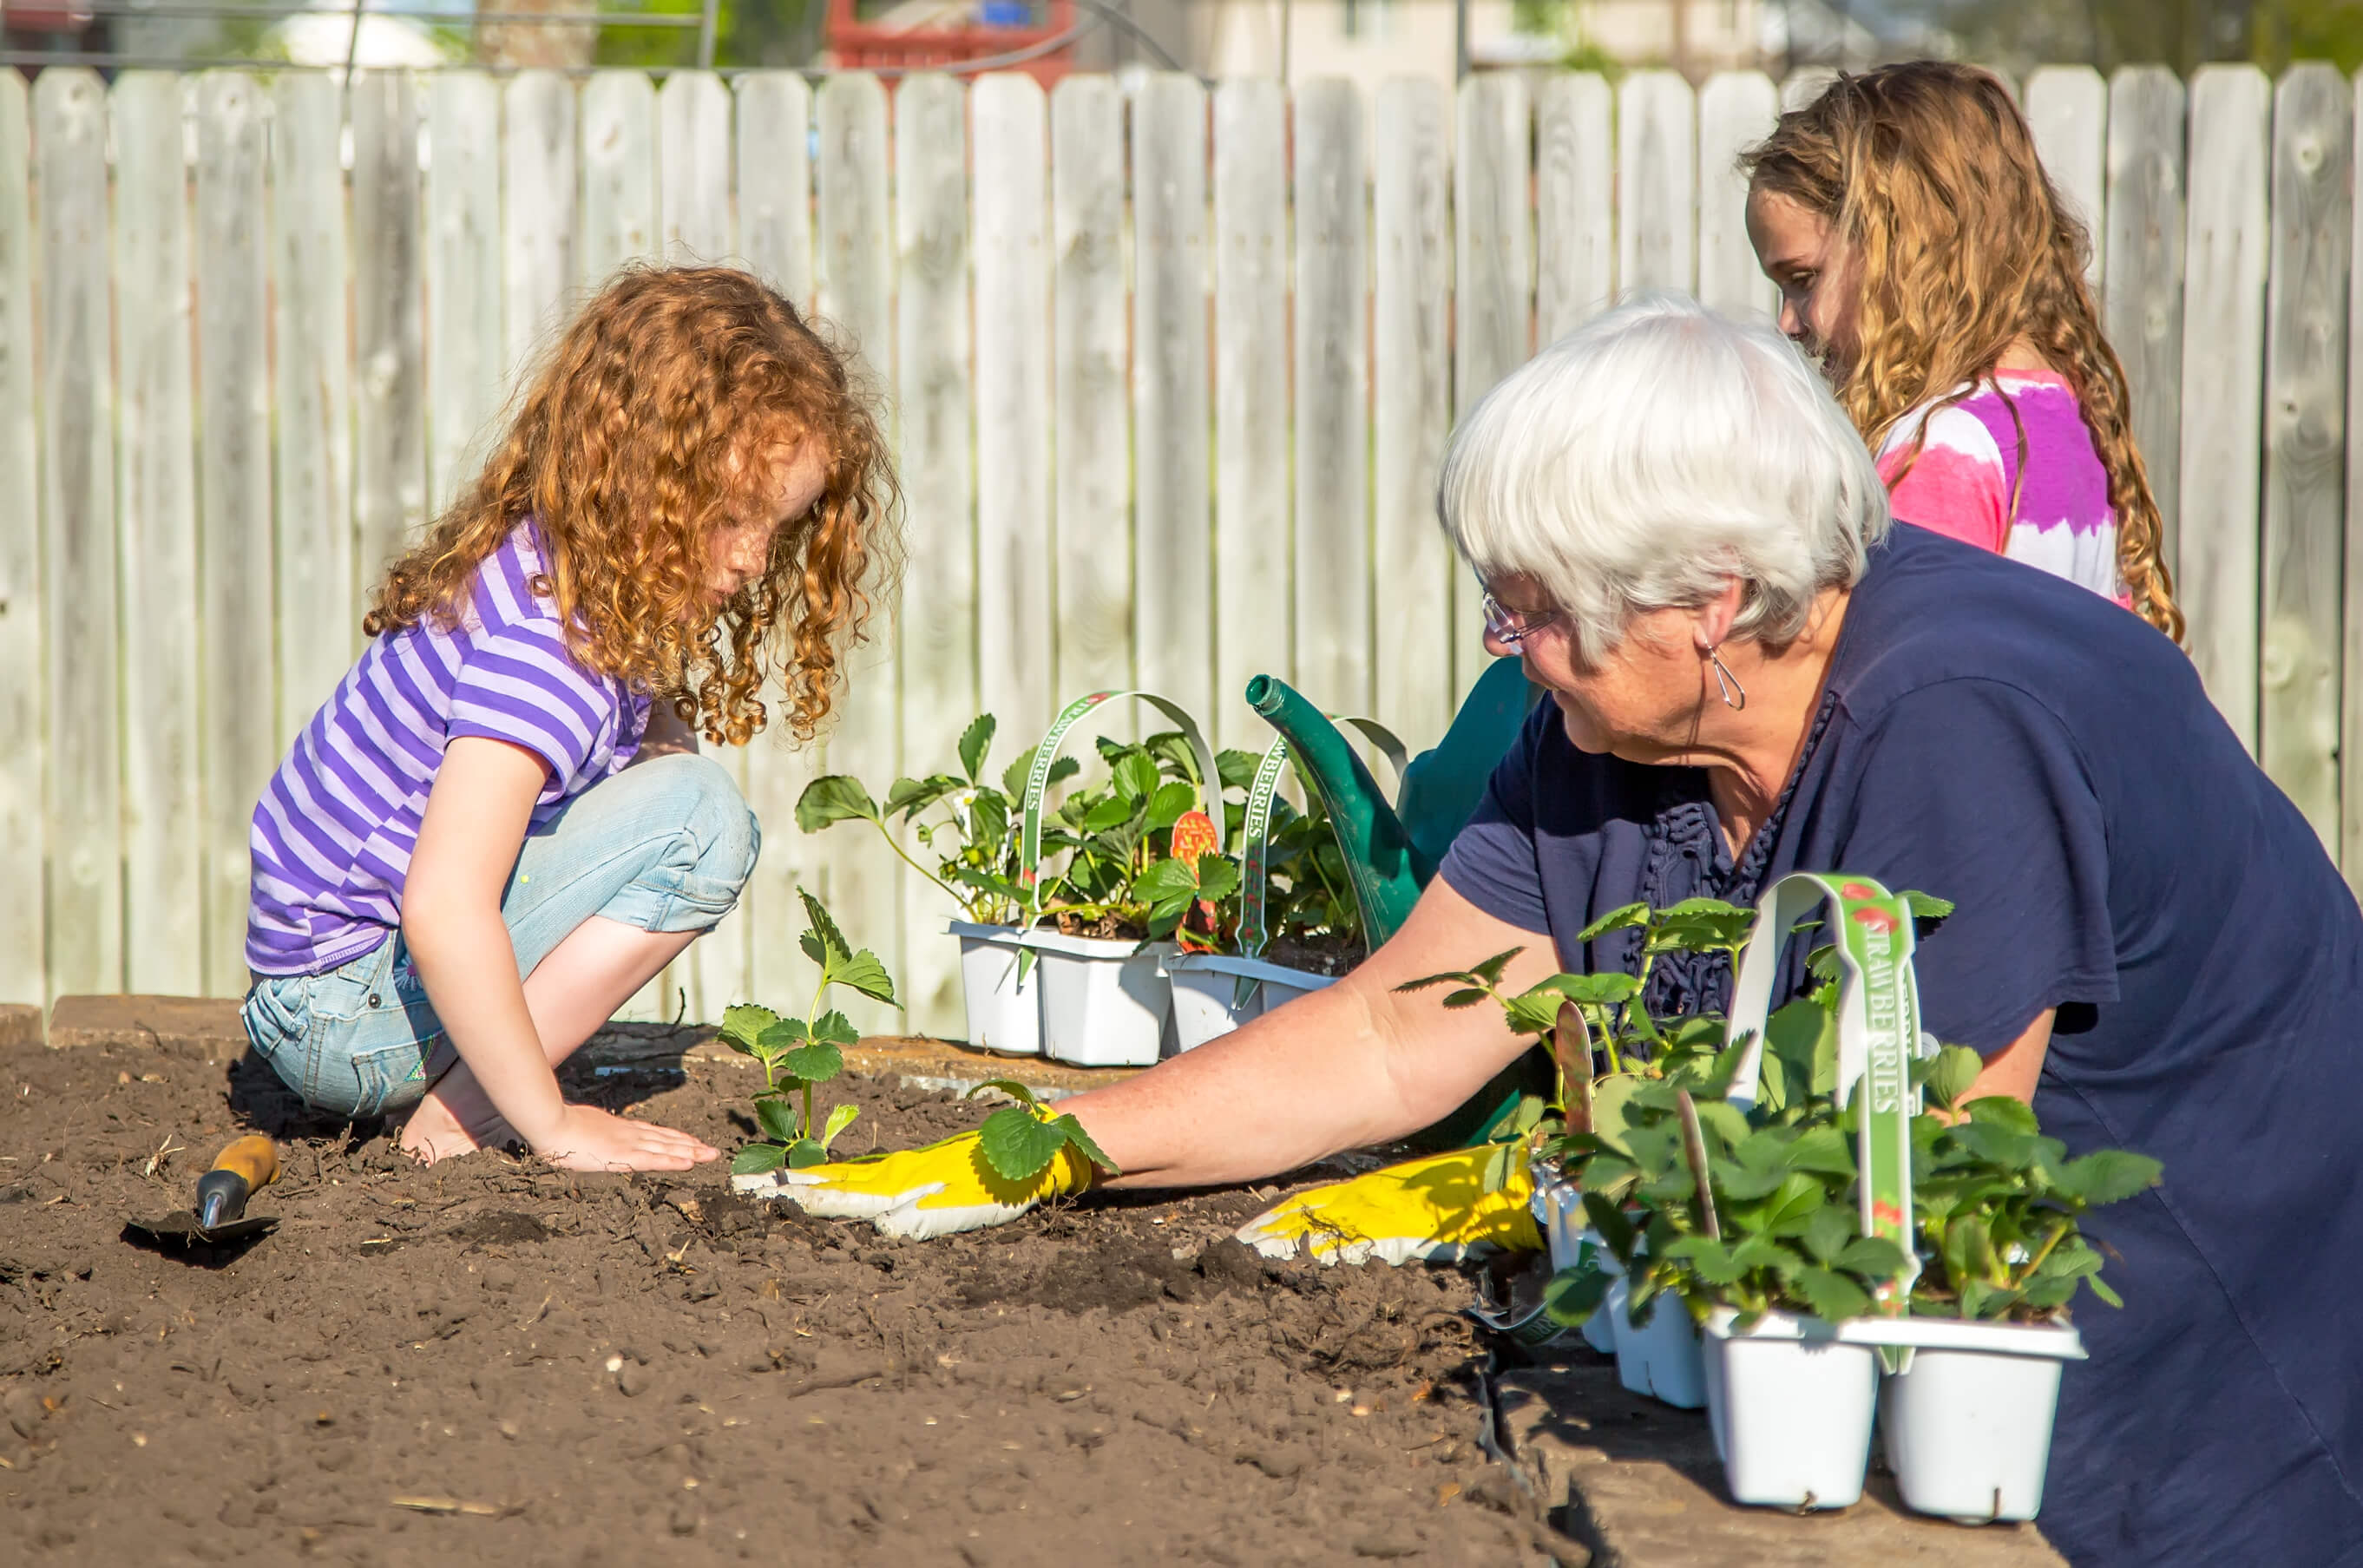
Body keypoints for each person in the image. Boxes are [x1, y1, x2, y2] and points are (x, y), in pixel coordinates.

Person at [761, 297, 2363, 1565]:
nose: (1503, 643)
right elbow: (1402, 1023)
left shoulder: (1953, 723)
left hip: (2192, 1380)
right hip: (1897, 1401)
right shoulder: (1618, 728)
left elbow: (1926, 1164)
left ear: (1710, 600)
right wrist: (1053, 1149)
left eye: (1531, 606)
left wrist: (1538, 1187)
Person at [240, 266, 898, 1173]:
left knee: (678, 791)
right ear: (644, 481)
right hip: (345, 1017)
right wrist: (551, 1121)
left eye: (776, 530)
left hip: (318, 993)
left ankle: (485, 1075)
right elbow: (439, 907)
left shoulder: (552, 570)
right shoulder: (547, 649)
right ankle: (469, 1113)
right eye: (730, 517)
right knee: (704, 821)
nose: (753, 559)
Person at [1743, 60, 2183, 642]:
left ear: (1904, 252)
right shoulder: (2062, 416)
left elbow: (1905, 691)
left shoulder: (1943, 450)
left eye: (1802, 277)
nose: (1787, 323)